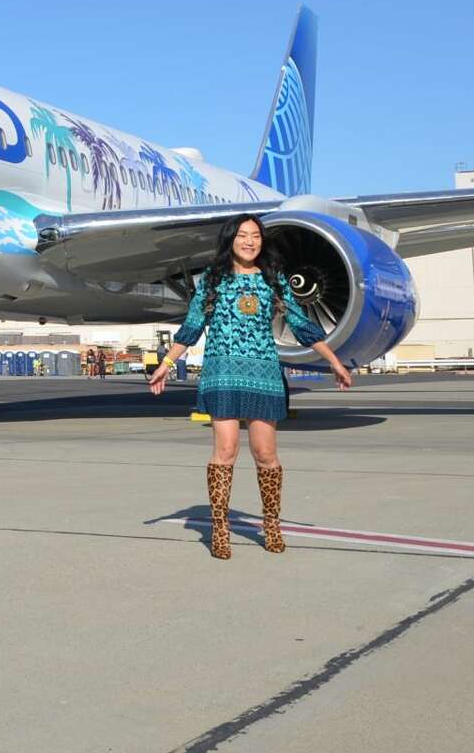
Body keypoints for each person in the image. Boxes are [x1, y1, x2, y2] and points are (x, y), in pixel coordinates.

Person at [149, 214, 353, 559]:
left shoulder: (274, 280)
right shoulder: (213, 280)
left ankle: (271, 524)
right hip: (222, 374)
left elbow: (301, 324)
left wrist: (333, 360)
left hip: (263, 376)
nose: (249, 241)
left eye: (255, 236)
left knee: (266, 455)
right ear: (230, 239)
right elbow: (192, 326)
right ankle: (220, 529)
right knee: (225, 452)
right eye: (243, 235)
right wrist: (166, 365)